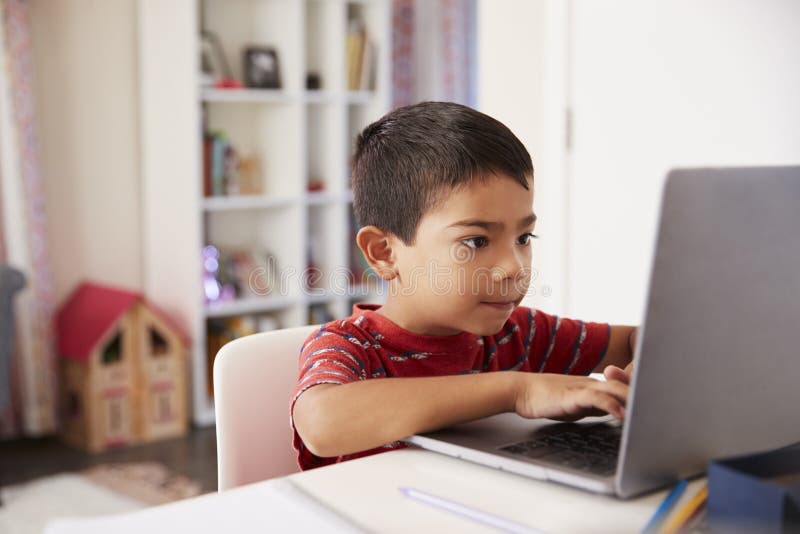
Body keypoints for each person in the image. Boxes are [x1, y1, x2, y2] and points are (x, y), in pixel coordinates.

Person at [291, 101, 636, 470]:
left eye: (524, 236)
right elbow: (323, 423)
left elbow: (640, 341)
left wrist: (641, 369)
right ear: (384, 252)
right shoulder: (350, 347)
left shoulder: (522, 333)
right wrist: (518, 391)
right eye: (475, 241)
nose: (513, 267)